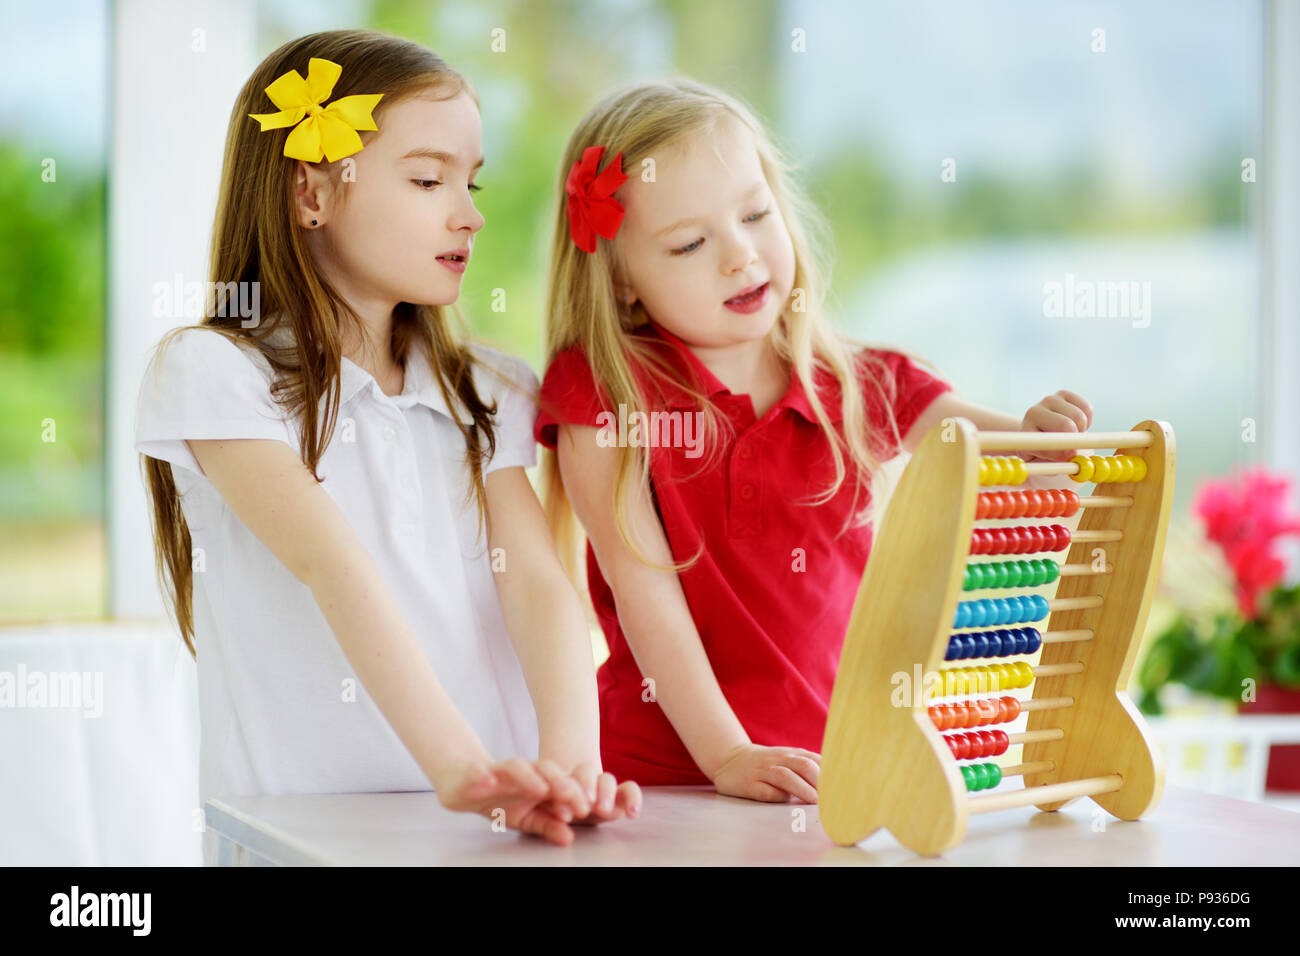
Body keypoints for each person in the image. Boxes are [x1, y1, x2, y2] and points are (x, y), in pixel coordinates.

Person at [135, 29, 638, 865]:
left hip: (502, 831)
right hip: (303, 842)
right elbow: (333, 563)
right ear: (312, 194)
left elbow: (539, 587)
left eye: (471, 182)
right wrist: (461, 770)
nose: (469, 213)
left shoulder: (488, 387)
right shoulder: (216, 374)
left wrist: (571, 767)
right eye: (428, 178)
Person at [535, 78, 1092, 800]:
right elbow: (645, 592)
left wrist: (1044, 438)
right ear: (621, 282)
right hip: (670, 781)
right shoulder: (603, 394)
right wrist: (728, 754)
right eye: (690, 243)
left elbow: (1023, 460)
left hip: (840, 769)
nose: (740, 256)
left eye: (755, 214)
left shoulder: (864, 384)